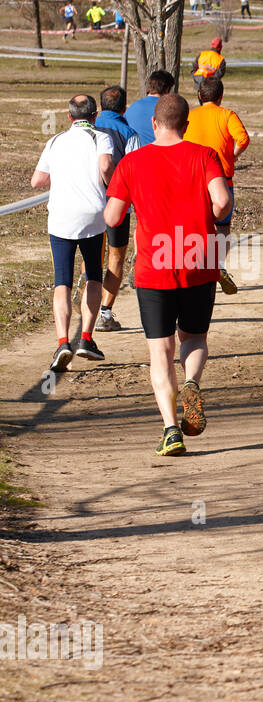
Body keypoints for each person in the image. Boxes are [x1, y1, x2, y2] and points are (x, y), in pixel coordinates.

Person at [104, 93, 230, 457]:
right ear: (186, 125)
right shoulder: (204, 155)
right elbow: (221, 202)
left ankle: (171, 429)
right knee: (194, 338)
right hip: (198, 261)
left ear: (155, 125)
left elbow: (113, 218)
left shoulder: (132, 162)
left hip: (153, 268)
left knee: (160, 350)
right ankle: (191, 382)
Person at [30, 94, 114, 372]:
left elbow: (37, 180)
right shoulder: (100, 137)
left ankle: (63, 341)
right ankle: (86, 339)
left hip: (61, 218)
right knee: (93, 276)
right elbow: (104, 166)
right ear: (95, 116)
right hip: (92, 217)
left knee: (62, 281)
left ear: (69, 117)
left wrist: (63, 173)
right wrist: (112, 185)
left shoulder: (54, 141)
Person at [183, 77, 249, 296]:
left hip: (194, 179)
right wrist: (232, 155)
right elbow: (243, 139)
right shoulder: (226, 115)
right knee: (222, 227)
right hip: (222, 179)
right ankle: (219, 265)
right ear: (221, 96)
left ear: (199, 96)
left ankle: (192, 267)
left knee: (194, 226)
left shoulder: (189, 116)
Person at [94, 85, 141, 332]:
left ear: (101, 107)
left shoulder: (89, 129)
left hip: (88, 203)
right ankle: (105, 313)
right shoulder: (130, 133)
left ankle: (88, 309)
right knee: (115, 257)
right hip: (118, 205)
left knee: (92, 255)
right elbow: (136, 171)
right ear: (124, 108)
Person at [125, 70, 175, 145]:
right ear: (167, 89)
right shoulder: (169, 109)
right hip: (160, 153)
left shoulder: (132, 108)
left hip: (134, 153)